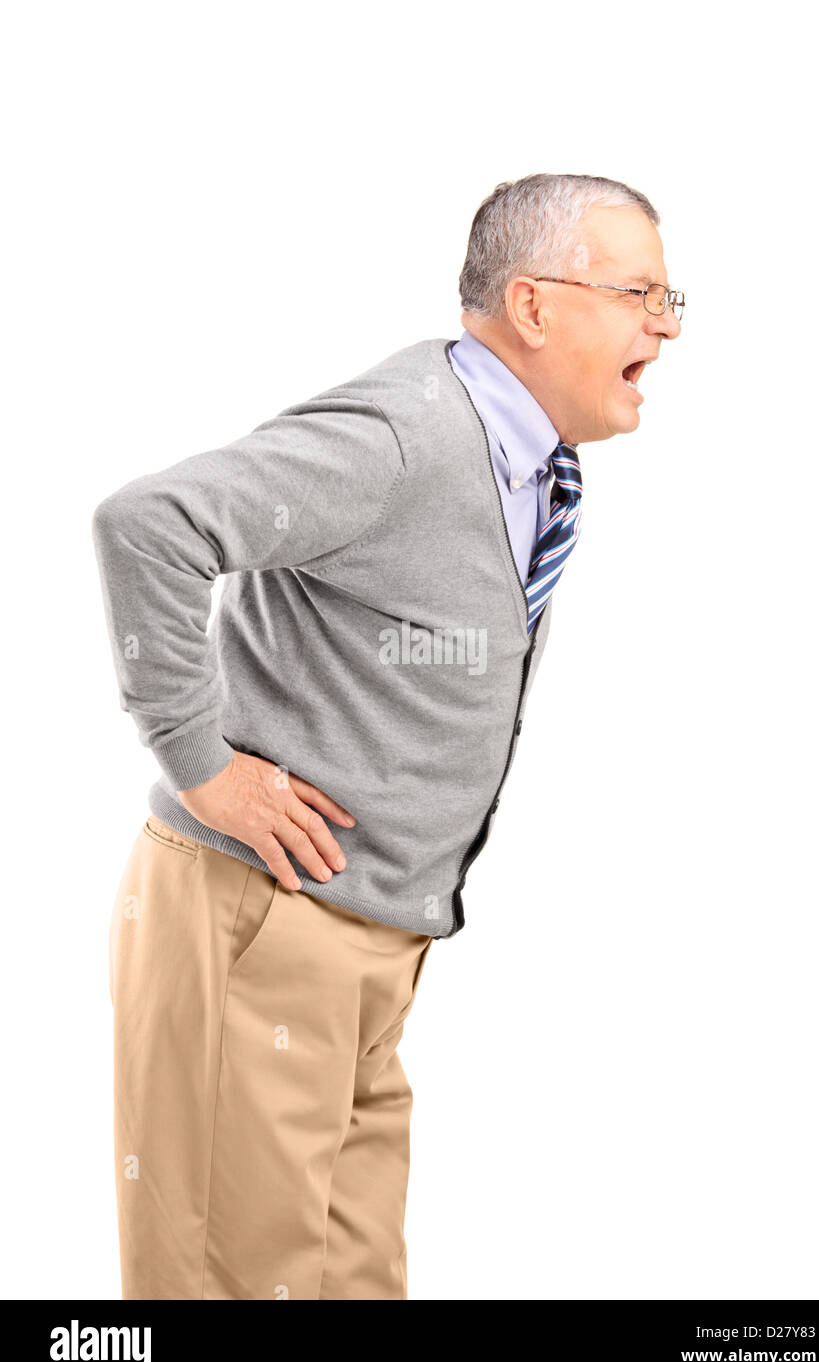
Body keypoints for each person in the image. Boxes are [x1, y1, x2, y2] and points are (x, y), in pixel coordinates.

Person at [92, 172, 684, 1301]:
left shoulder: (532, 460)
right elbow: (150, 524)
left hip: (369, 947)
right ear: (534, 305)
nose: (663, 323)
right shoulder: (406, 437)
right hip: (262, 913)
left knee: (349, 1282)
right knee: (230, 1285)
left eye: (671, 298)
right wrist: (200, 763)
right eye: (638, 292)